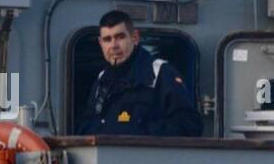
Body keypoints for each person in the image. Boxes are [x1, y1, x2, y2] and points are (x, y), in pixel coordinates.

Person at [76, 10, 204, 137]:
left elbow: (189, 126)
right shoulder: (102, 80)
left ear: (135, 37)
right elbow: (86, 126)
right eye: (107, 39)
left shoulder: (160, 74)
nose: (114, 46)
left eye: (120, 37)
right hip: (106, 156)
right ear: (100, 43)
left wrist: (137, 132)